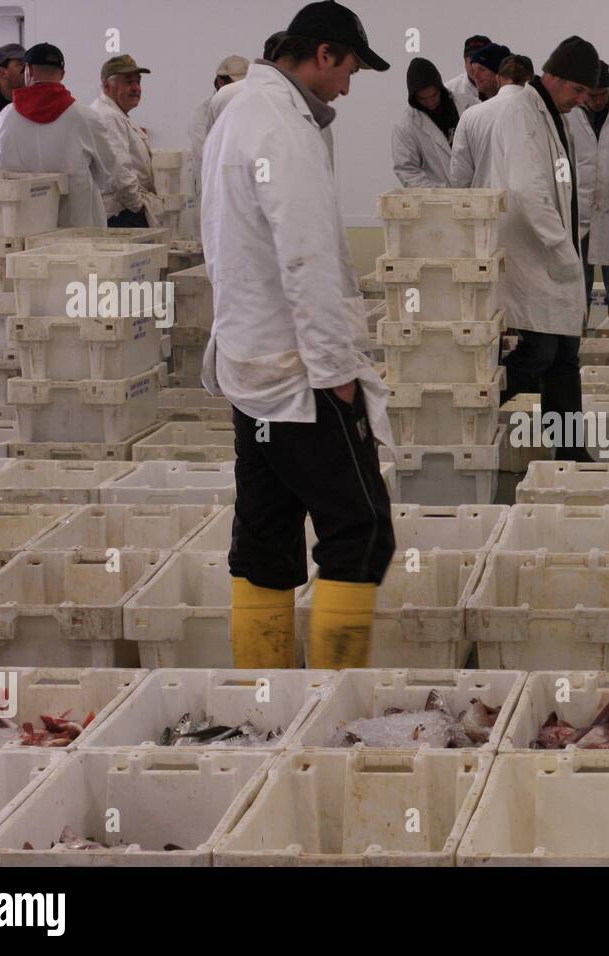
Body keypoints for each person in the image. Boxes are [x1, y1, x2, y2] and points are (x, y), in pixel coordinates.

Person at [201, 0, 394, 670]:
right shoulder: (282, 127)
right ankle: (335, 708)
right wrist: (336, 371)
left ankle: (267, 705)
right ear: (323, 55)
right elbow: (305, 255)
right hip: (299, 374)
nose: (347, 87)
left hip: (248, 364)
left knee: (266, 534)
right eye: (349, 72)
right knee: (361, 528)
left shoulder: (236, 114)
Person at [490, 36, 599, 462]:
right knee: (541, 351)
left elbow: (562, 184)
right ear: (551, 76)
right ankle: (477, 409)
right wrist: (559, 245)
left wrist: (570, 238)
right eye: (575, 90)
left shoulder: (555, 115)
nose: (579, 100)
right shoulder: (521, 111)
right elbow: (527, 188)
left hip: (552, 251)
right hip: (531, 250)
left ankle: (570, 451)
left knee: (564, 355)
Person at [0, 43, 117, 228]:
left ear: (28, 71)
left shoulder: (5, 118)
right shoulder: (87, 118)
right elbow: (107, 173)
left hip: (25, 228)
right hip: (78, 225)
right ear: (62, 74)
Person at [567, 60, 609, 337]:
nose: (596, 101)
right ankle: (576, 348)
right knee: (577, 287)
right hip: (578, 210)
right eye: (591, 95)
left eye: (602, 95)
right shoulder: (569, 113)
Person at [90, 54, 162, 228]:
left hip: (124, 211)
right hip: (122, 215)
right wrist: (138, 206)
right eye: (128, 82)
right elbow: (120, 171)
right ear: (107, 86)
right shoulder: (108, 117)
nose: (136, 88)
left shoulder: (115, 114)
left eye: (138, 82)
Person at [449, 52, 530, 188]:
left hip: (484, 204)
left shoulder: (470, 116)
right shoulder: (539, 114)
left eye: (482, 69)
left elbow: (459, 176)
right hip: (528, 203)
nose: (476, 76)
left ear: (498, 78)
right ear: (529, 79)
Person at [188, 55, 249, 212]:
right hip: (214, 190)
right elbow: (206, 155)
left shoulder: (249, 107)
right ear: (221, 82)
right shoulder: (202, 113)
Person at [392, 57, 460, 187]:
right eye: (423, 98)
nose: (430, 102)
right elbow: (406, 169)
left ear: (440, 89)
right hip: (437, 201)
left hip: (475, 193)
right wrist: (434, 193)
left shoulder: (465, 105)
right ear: (414, 97)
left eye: (434, 95)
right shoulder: (406, 125)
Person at [445, 35, 490, 111]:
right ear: (465, 62)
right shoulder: (450, 91)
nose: (477, 67)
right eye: (473, 61)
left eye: (482, 60)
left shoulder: (505, 86)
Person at [0, 43, 26, 111]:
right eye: (21, 64)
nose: (27, 69)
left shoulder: (35, 100)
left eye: (27, 64)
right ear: (2, 73)